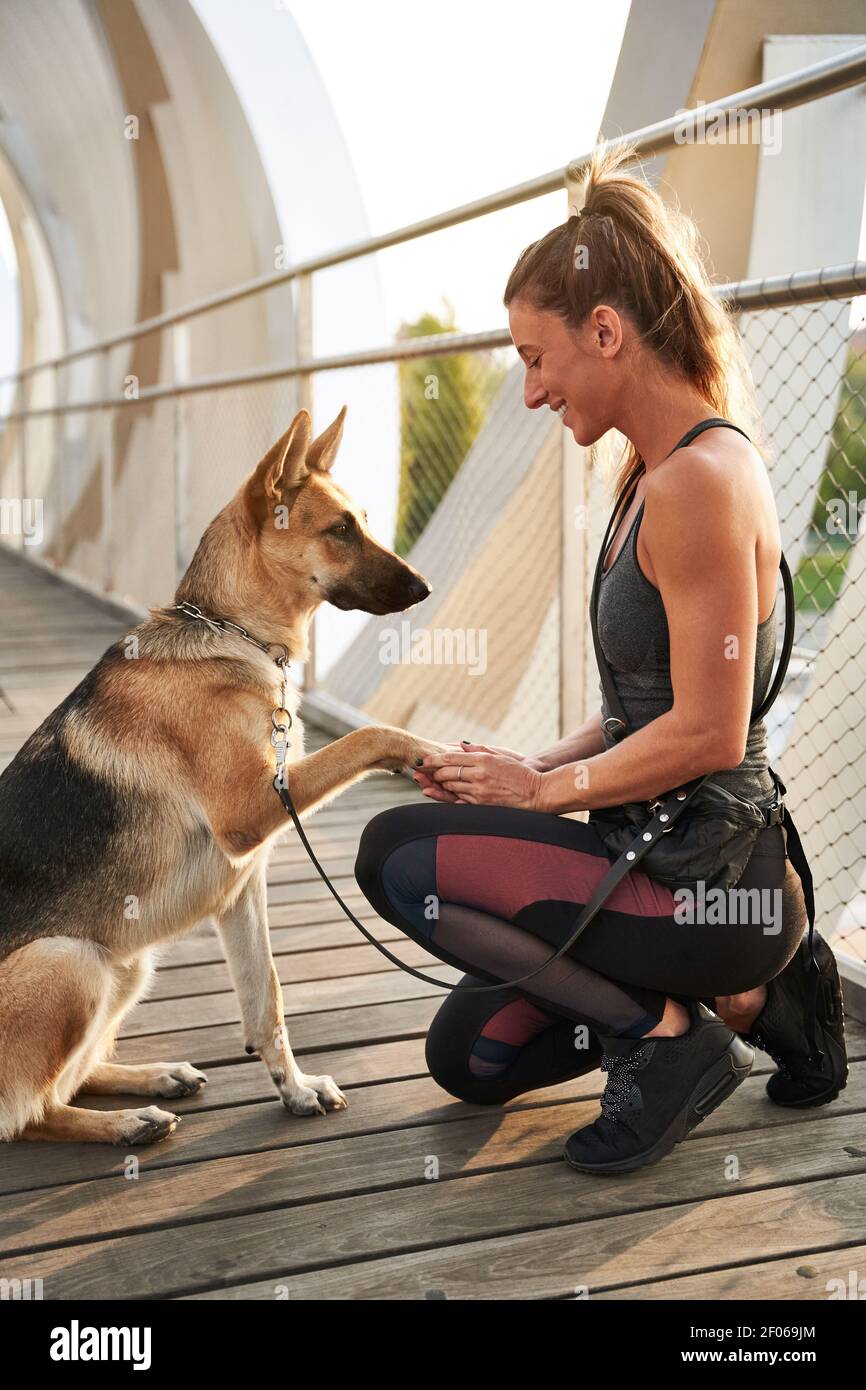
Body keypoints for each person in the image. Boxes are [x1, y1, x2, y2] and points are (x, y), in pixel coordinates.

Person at [353, 140, 847, 1176]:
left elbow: (710, 731)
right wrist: (520, 767)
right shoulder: (646, 472)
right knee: (469, 1058)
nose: (529, 391)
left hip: (711, 879)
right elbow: (644, 708)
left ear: (605, 331)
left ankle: (679, 1033)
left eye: (535, 358)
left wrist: (540, 796)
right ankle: (753, 996)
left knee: (397, 857)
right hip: (646, 855)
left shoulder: (699, 482)